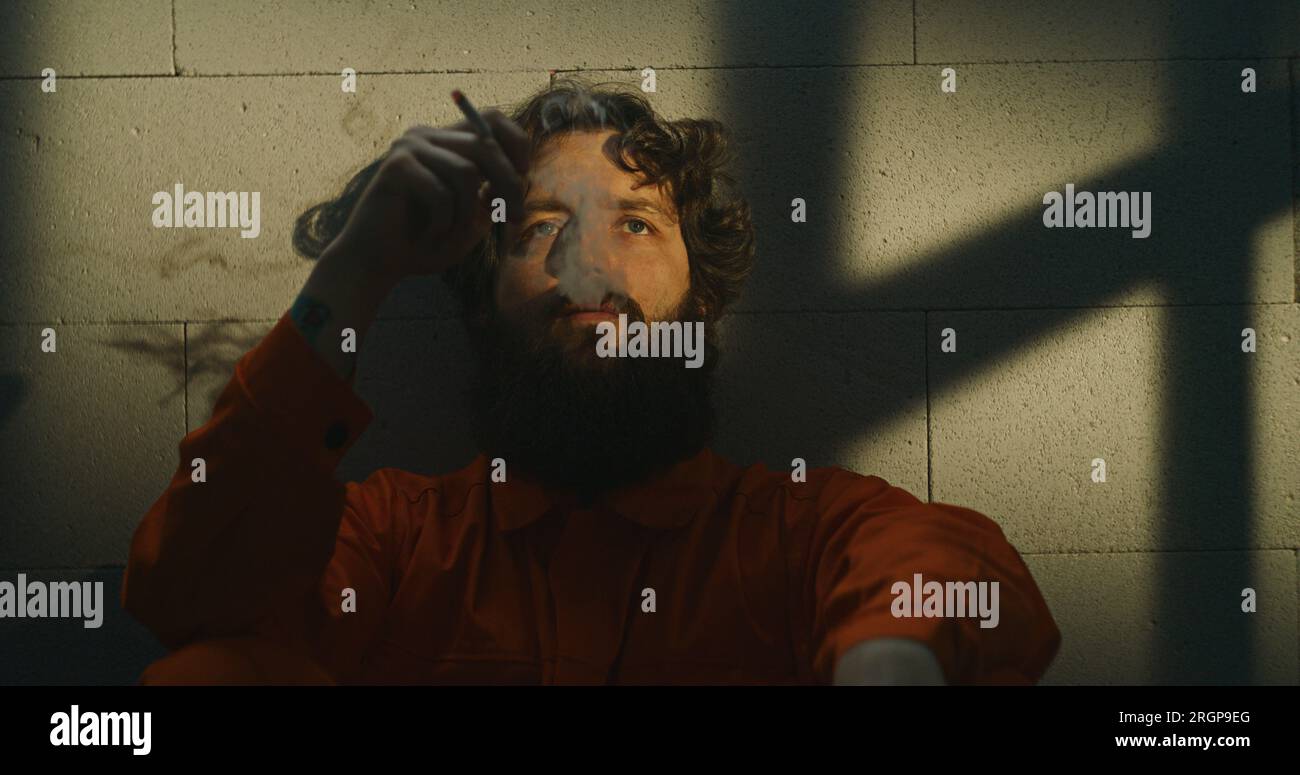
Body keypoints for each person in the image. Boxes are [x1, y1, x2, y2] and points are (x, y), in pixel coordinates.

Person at [122, 78, 1059, 685]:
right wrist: (357, 272)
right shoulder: (400, 544)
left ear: (703, 298)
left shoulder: (795, 532)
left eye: (638, 224)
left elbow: (948, 570)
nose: (592, 269)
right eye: (538, 229)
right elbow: (189, 600)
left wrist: (891, 657)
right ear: (484, 296)